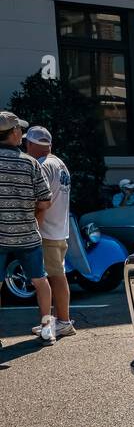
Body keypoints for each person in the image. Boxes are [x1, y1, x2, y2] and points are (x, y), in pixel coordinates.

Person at [0, 111, 55, 345]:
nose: (21, 133)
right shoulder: (29, 162)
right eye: (20, 130)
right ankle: (46, 327)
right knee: (40, 281)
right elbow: (45, 201)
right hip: (27, 234)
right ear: (14, 133)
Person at [23, 126, 74, 339]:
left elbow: (41, 202)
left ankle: (61, 322)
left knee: (53, 278)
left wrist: (33, 229)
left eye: (27, 143)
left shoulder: (42, 166)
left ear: (32, 144)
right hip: (59, 228)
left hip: (46, 231)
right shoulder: (60, 163)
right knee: (56, 276)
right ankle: (57, 322)